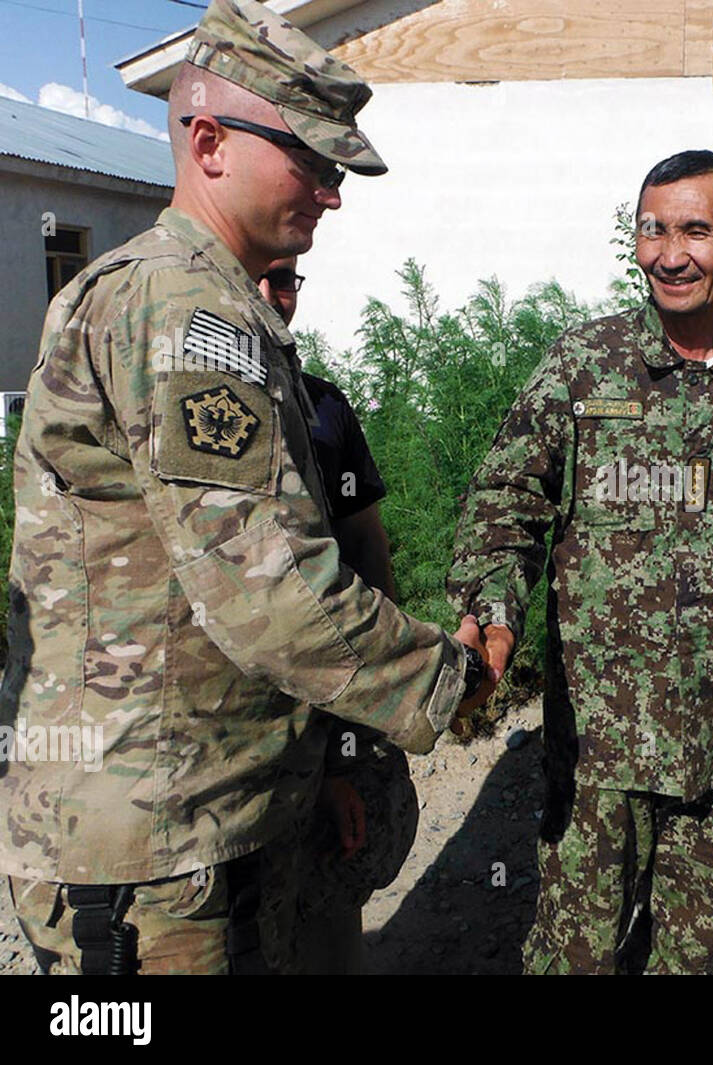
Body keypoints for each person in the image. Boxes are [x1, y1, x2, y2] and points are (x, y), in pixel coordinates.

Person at [0, 0, 493, 975]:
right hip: (152, 848)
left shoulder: (218, 307)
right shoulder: (182, 310)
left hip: (203, 817)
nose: (331, 193)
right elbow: (270, 592)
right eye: (311, 161)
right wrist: (455, 682)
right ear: (211, 141)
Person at [448, 149, 713, 974]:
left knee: (698, 953)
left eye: (696, 230)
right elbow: (506, 498)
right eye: (652, 229)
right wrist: (493, 608)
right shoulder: (584, 363)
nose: (670, 253)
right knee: (574, 950)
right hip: (598, 739)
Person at [257, 256, 414, 974]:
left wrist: (358, 737)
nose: (272, 294)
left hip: (318, 718)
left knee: (327, 932)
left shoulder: (323, 408)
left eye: (286, 279)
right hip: (219, 748)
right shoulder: (159, 401)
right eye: (256, 276)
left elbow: (365, 556)